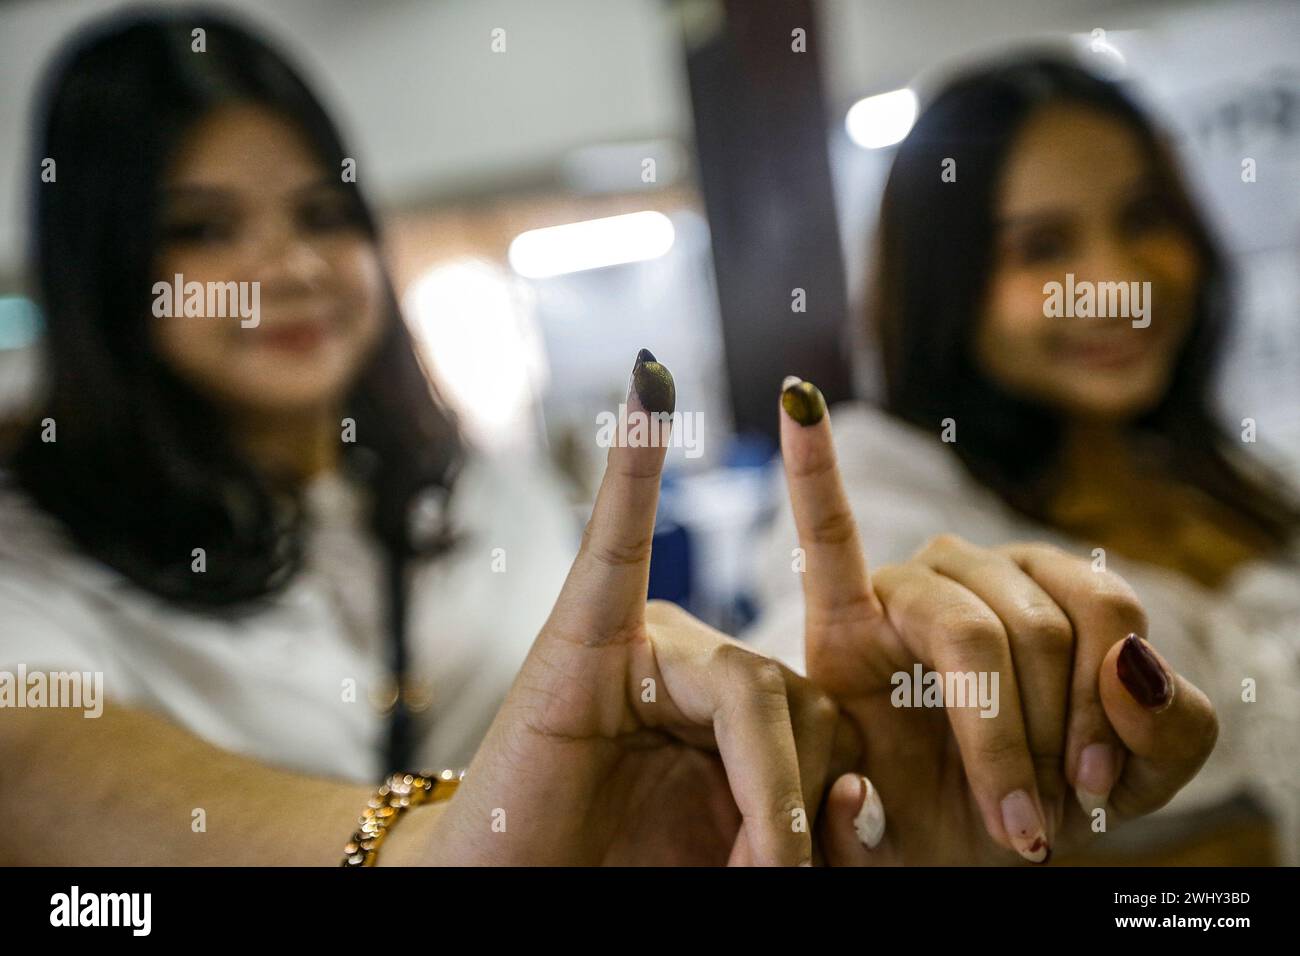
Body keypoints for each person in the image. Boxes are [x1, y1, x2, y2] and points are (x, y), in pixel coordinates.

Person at [0, 11, 1217, 866]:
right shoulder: (31, 549)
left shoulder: (478, 496)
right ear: (105, 274)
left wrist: (790, 727)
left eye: (324, 213)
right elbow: (39, 774)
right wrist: (443, 846)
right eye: (204, 231)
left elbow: (648, 711)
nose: (290, 266)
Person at [754, 54, 1299, 864]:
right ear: (948, 284)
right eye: (1042, 247)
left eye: (1146, 217)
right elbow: (816, 656)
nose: (1116, 284)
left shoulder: (1240, 476)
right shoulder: (888, 493)